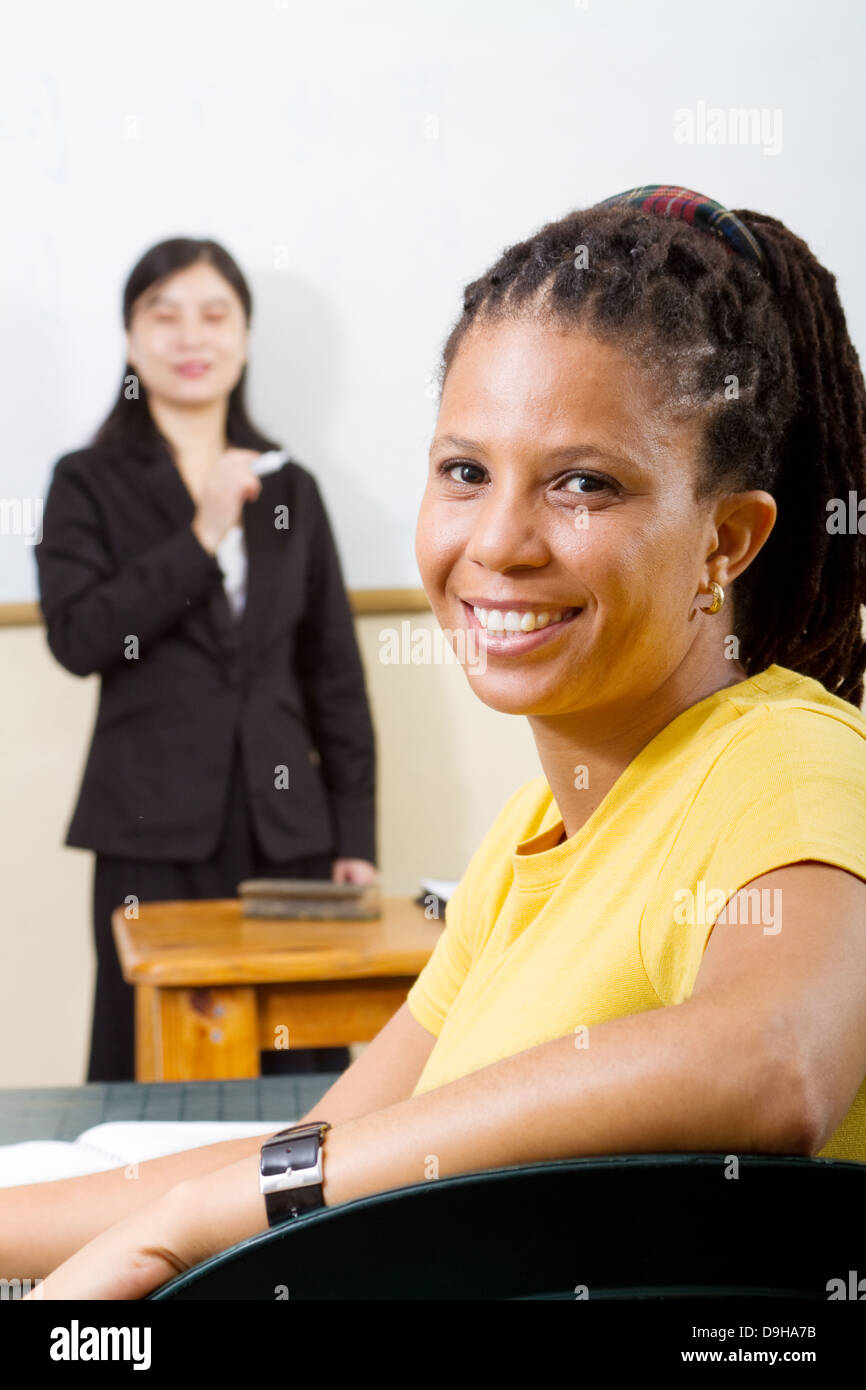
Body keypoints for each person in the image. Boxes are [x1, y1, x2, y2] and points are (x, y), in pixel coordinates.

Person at [10, 185, 866, 1299]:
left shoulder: (789, 754)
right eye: (464, 471)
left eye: (581, 484)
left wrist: (223, 1208)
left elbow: (773, 1060)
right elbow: (304, 1150)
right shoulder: (527, 842)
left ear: (723, 540)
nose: (498, 541)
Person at [34, 237, 378, 1082]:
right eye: (165, 315)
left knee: (299, 1068)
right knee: (146, 1055)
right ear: (130, 338)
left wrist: (355, 834)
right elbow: (79, 637)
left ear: (245, 337)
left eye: (215, 315)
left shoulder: (291, 486)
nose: (192, 337)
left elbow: (332, 669)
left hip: (285, 826)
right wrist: (203, 532)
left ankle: (301, 1223)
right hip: (147, 828)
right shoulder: (86, 479)